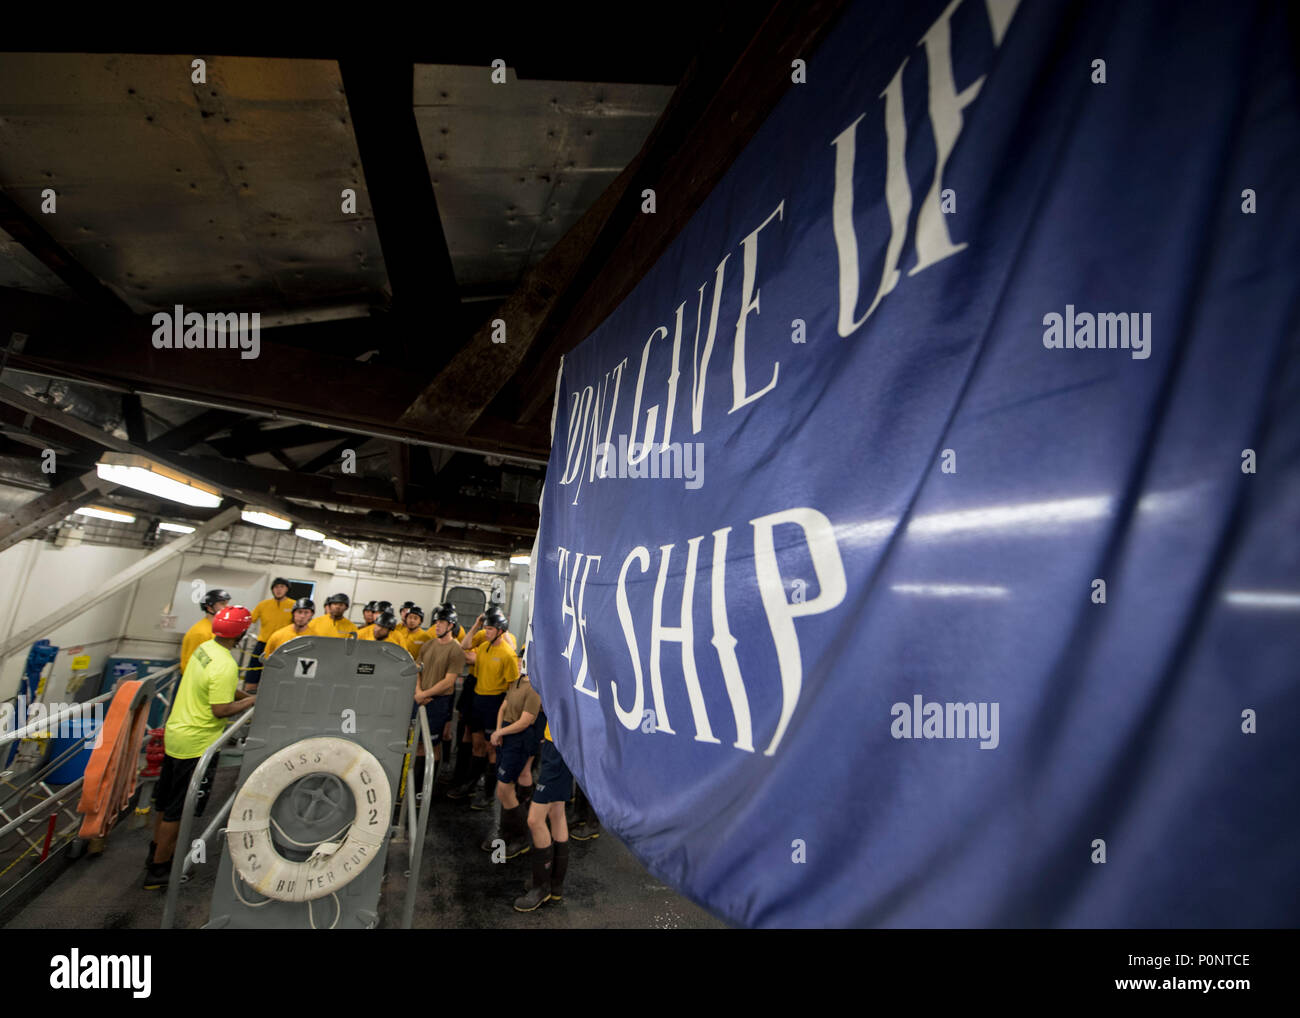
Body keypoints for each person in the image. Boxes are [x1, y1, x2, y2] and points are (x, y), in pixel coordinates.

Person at [144, 606, 256, 890]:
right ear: (242, 633)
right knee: (179, 811)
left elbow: (220, 689)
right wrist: (253, 702)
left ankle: (155, 855)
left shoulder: (205, 649)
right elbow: (221, 709)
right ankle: (159, 871)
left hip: (176, 734)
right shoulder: (227, 664)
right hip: (197, 744)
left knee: (165, 802)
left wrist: (248, 694)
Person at [449, 608, 518, 809]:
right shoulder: (485, 645)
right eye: (485, 628)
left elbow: (512, 686)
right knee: (477, 743)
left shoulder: (507, 654)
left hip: (494, 702)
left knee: (491, 748)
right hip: (478, 699)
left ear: (500, 630)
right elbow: (465, 645)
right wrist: (478, 624)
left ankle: (488, 794)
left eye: (490, 629)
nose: (486, 632)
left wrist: (504, 714)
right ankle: (470, 785)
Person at [481, 666, 541, 858]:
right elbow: (503, 707)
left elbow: (526, 721)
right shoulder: (517, 681)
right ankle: (509, 832)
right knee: (509, 785)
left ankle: (522, 837)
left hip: (519, 737)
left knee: (504, 788)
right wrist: (499, 730)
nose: (516, 662)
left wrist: (501, 732)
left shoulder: (535, 687)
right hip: (507, 734)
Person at [513, 719, 571, 912]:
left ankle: (541, 887)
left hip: (560, 744)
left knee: (535, 819)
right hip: (558, 741)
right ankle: (555, 885)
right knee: (557, 811)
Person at [411, 606, 467, 800]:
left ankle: (426, 790)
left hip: (438, 701)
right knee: (418, 743)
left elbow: (449, 681)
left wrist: (425, 694)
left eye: (441, 622)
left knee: (432, 745)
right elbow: (417, 670)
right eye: (436, 622)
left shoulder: (456, 650)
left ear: (451, 625)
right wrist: (418, 692)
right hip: (420, 698)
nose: (437, 626)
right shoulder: (427, 645)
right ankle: (414, 785)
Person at [245, 578, 293, 692]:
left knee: (277, 679)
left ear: (287, 589)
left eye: (282, 587)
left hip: (283, 647)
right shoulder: (263, 605)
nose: (279, 590)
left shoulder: (294, 605)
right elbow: (249, 619)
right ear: (272, 590)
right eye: (276, 587)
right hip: (262, 645)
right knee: (252, 678)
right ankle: (248, 703)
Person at [180, 588, 231, 673]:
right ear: (210, 609)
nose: (227, 607)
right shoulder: (201, 633)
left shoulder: (213, 628)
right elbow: (192, 664)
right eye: (223, 604)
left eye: (227, 604)